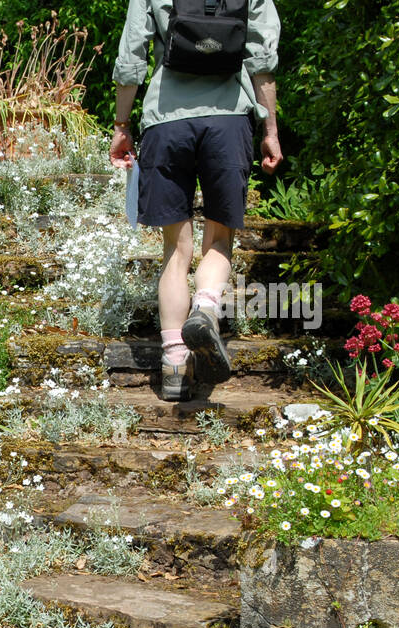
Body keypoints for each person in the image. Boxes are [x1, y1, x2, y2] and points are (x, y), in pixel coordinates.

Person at [109, 0, 282, 401]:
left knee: (175, 248)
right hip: (229, 120)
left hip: (166, 123)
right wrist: (270, 128)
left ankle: (173, 364)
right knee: (219, 237)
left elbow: (131, 55)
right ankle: (204, 309)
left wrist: (121, 125)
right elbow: (261, 59)